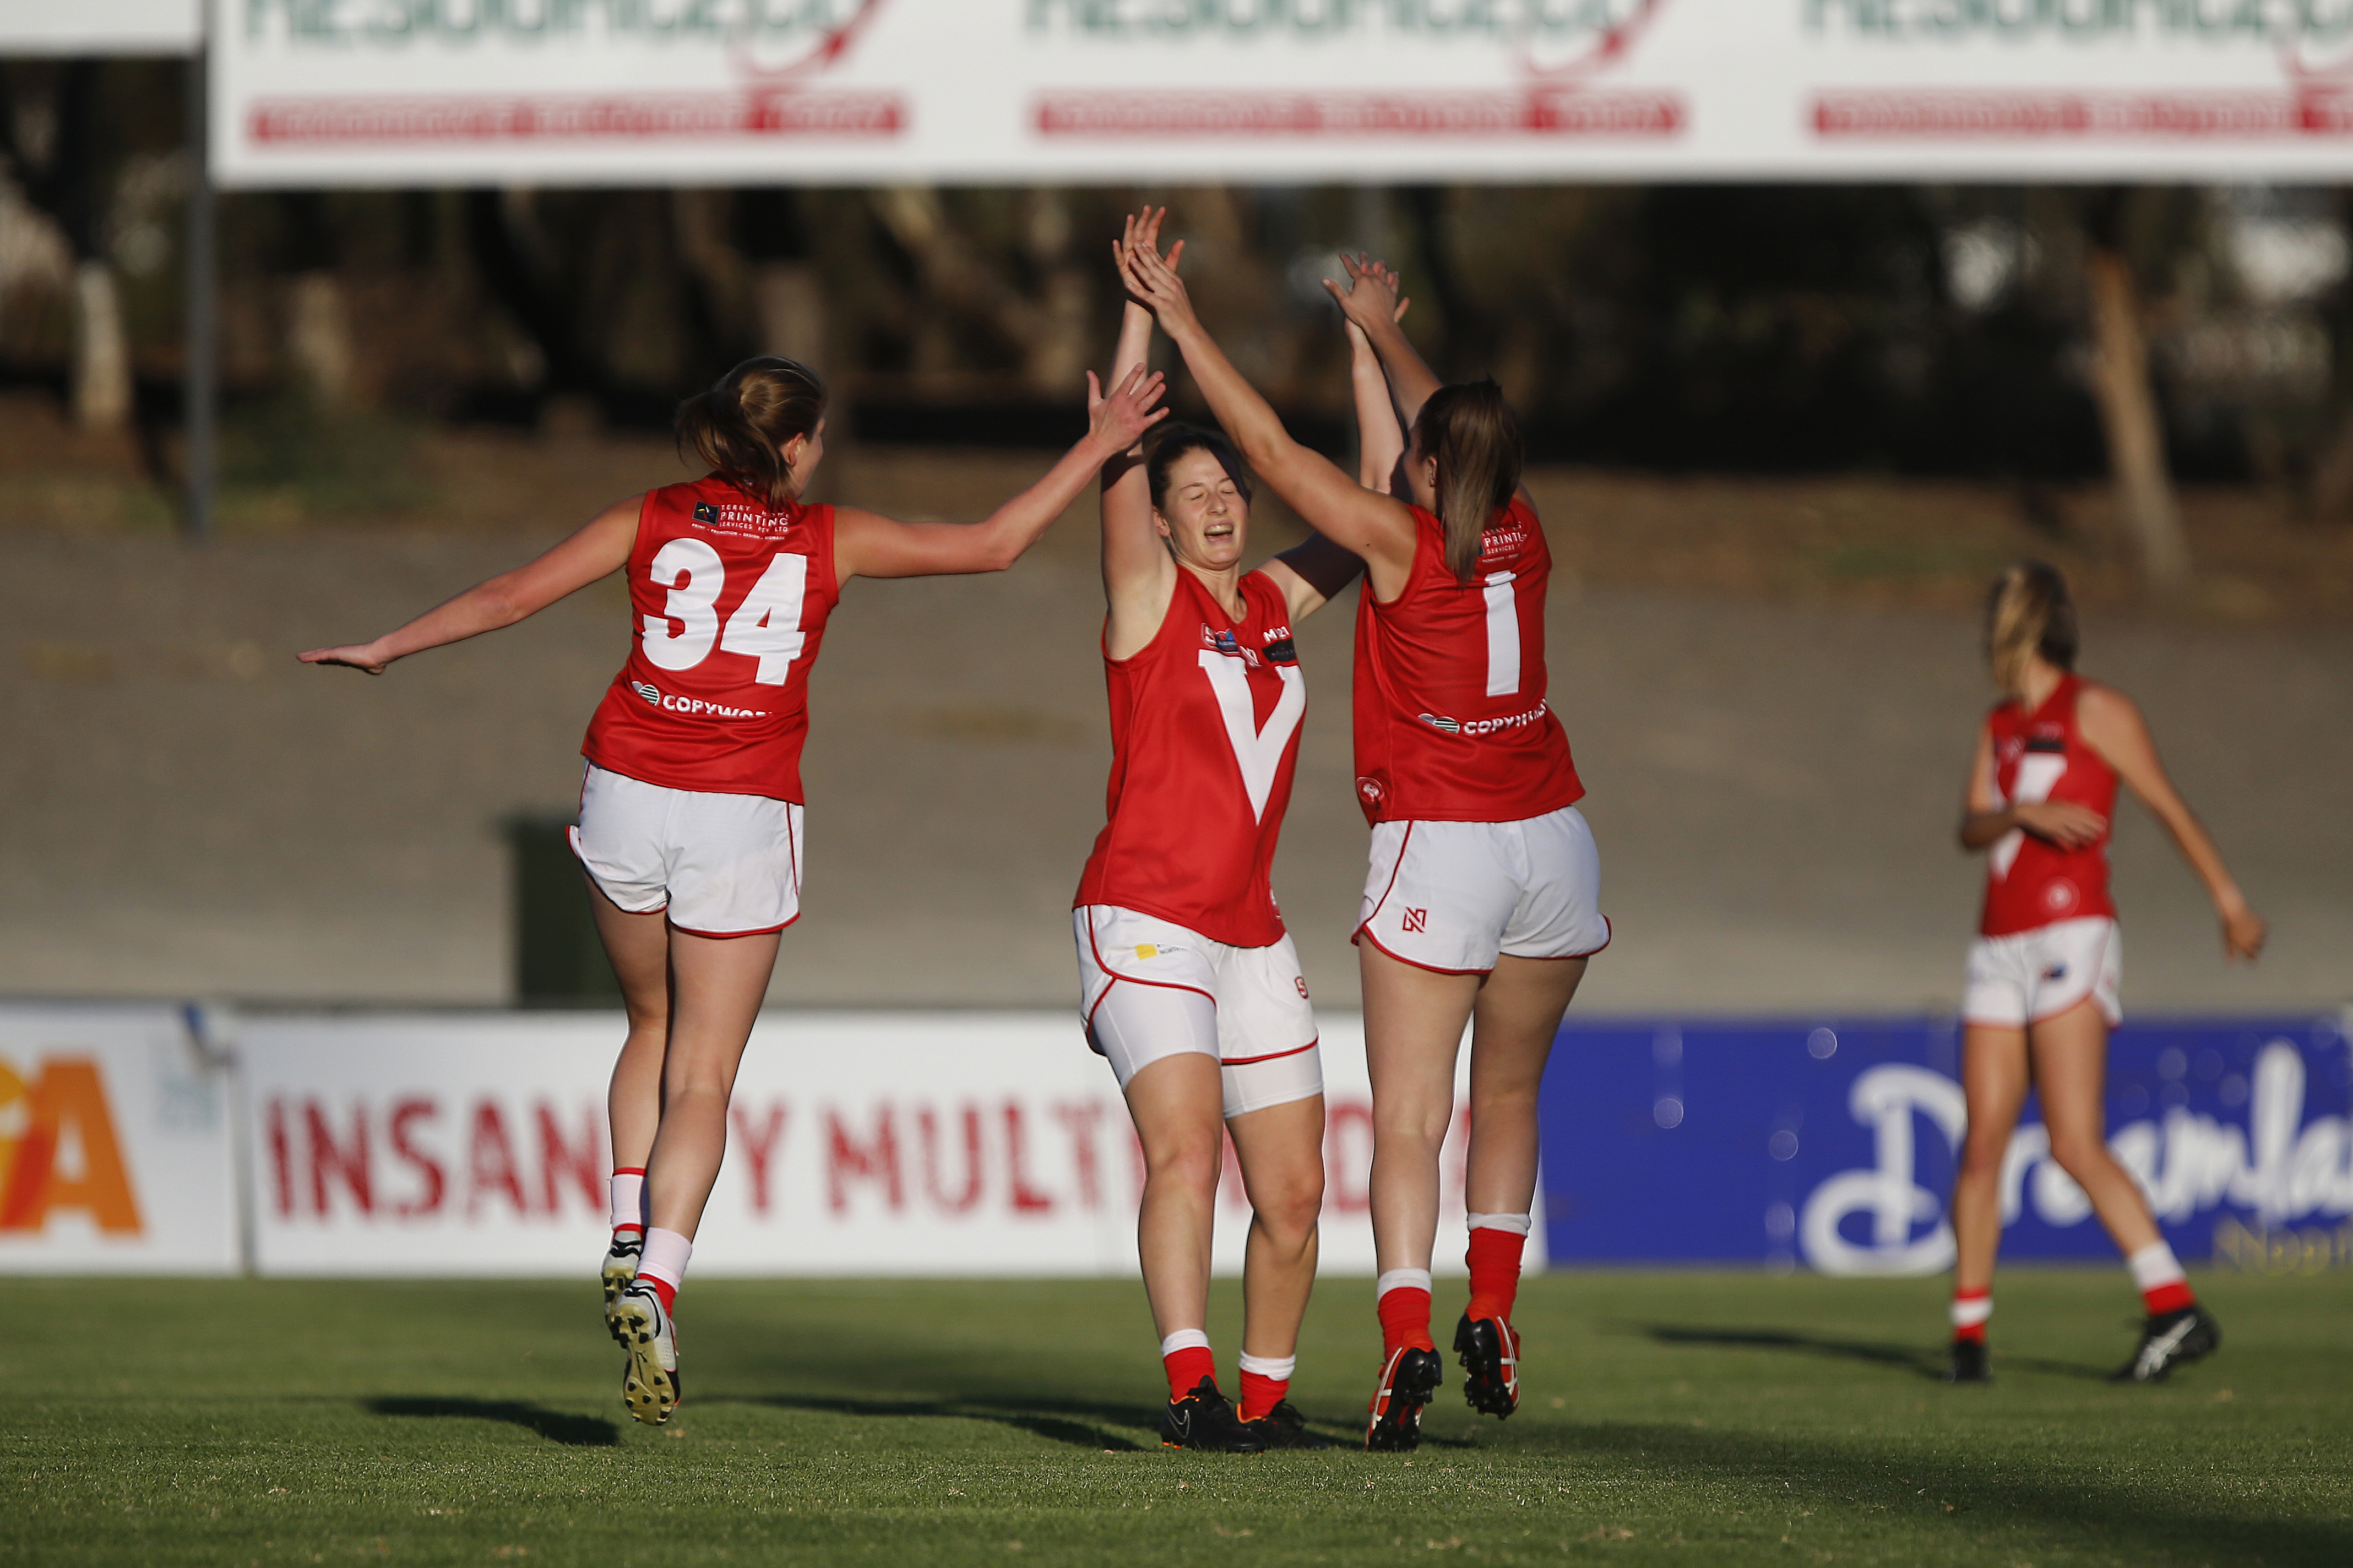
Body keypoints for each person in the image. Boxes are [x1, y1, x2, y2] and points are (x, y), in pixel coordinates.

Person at [300, 356, 1167, 1425]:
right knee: (705, 1067)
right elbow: (994, 544)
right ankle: (656, 1277)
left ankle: (624, 1223)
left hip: (624, 790)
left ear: (718, 439)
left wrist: (391, 644)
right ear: (796, 445)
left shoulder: (649, 514)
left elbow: (513, 594)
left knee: (650, 1021)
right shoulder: (827, 537)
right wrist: (1095, 442)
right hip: (738, 808)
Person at [1121, 237, 1604, 1452]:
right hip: (1555, 838)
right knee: (1509, 1092)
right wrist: (1375, 333)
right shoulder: (1523, 529)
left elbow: (1286, 459)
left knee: (1407, 1118)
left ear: (1427, 468)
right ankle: (1494, 1301)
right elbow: (1435, 440)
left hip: (1446, 840)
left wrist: (1181, 319)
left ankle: (1405, 1328)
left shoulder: (1401, 540)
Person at [1078, 211, 1393, 1453]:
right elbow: (1117, 455)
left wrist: (1364, 350)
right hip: (1142, 916)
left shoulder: (1270, 601)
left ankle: (1263, 1403)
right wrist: (1145, 309)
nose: (1216, 503)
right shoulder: (1146, 597)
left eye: (1227, 489)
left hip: (1252, 937)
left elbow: (1375, 517)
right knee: (1182, 1156)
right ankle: (1190, 1388)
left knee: (1301, 1193)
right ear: (1159, 521)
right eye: (1193, 493)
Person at [1944, 561, 2265, 1385]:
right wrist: (2019, 812)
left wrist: (2228, 902)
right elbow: (1970, 827)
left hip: (2069, 929)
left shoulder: (2095, 708)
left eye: (2000, 613)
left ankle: (2173, 1306)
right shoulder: (1999, 724)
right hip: (1997, 941)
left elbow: (2166, 804)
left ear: (2027, 621)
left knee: (2070, 1140)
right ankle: (1968, 1340)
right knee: (1980, 1144)